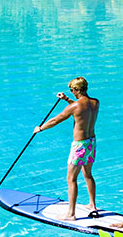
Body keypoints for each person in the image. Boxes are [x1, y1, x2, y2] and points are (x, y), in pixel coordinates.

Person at [32, 77, 99, 220]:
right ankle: (92, 205)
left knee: (71, 179)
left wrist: (40, 128)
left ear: (77, 90)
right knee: (87, 174)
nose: (71, 92)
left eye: (72, 90)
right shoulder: (95, 103)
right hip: (91, 142)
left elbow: (56, 119)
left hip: (79, 145)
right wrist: (67, 99)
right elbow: (81, 108)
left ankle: (71, 214)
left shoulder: (75, 106)